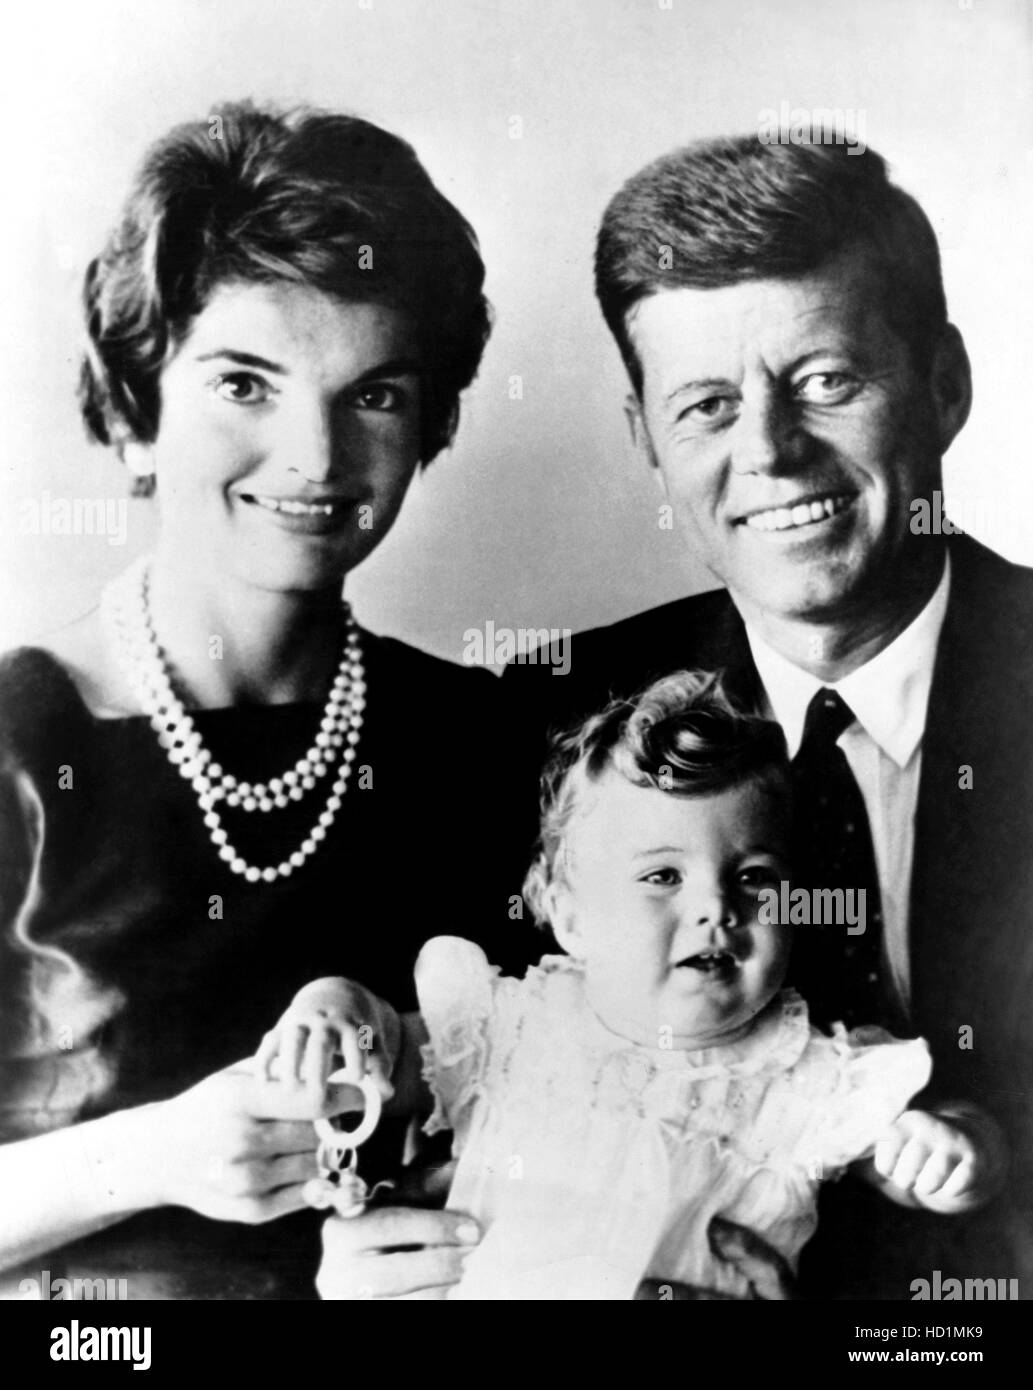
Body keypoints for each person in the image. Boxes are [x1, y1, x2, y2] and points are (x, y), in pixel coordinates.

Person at [0, 99, 519, 1299]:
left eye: (376, 394)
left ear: (431, 425)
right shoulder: (22, 747)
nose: (317, 454)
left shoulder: (477, 738)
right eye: (245, 381)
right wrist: (157, 1155)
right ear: (135, 409)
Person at [503, 133, 1033, 1296]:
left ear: (944, 386)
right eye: (703, 406)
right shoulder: (548, 718)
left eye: (826, 382)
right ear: (644, 437)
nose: (772, 454)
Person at [268, 672, 1004, 1300]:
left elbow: (913, 1154)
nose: (717, 908)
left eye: (753, 879)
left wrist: (952, 1152)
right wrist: (332, 1006)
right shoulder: (509, 1029)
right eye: (661, 877)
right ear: (568, 914)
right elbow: (378, 1055)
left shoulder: (801, 1075)